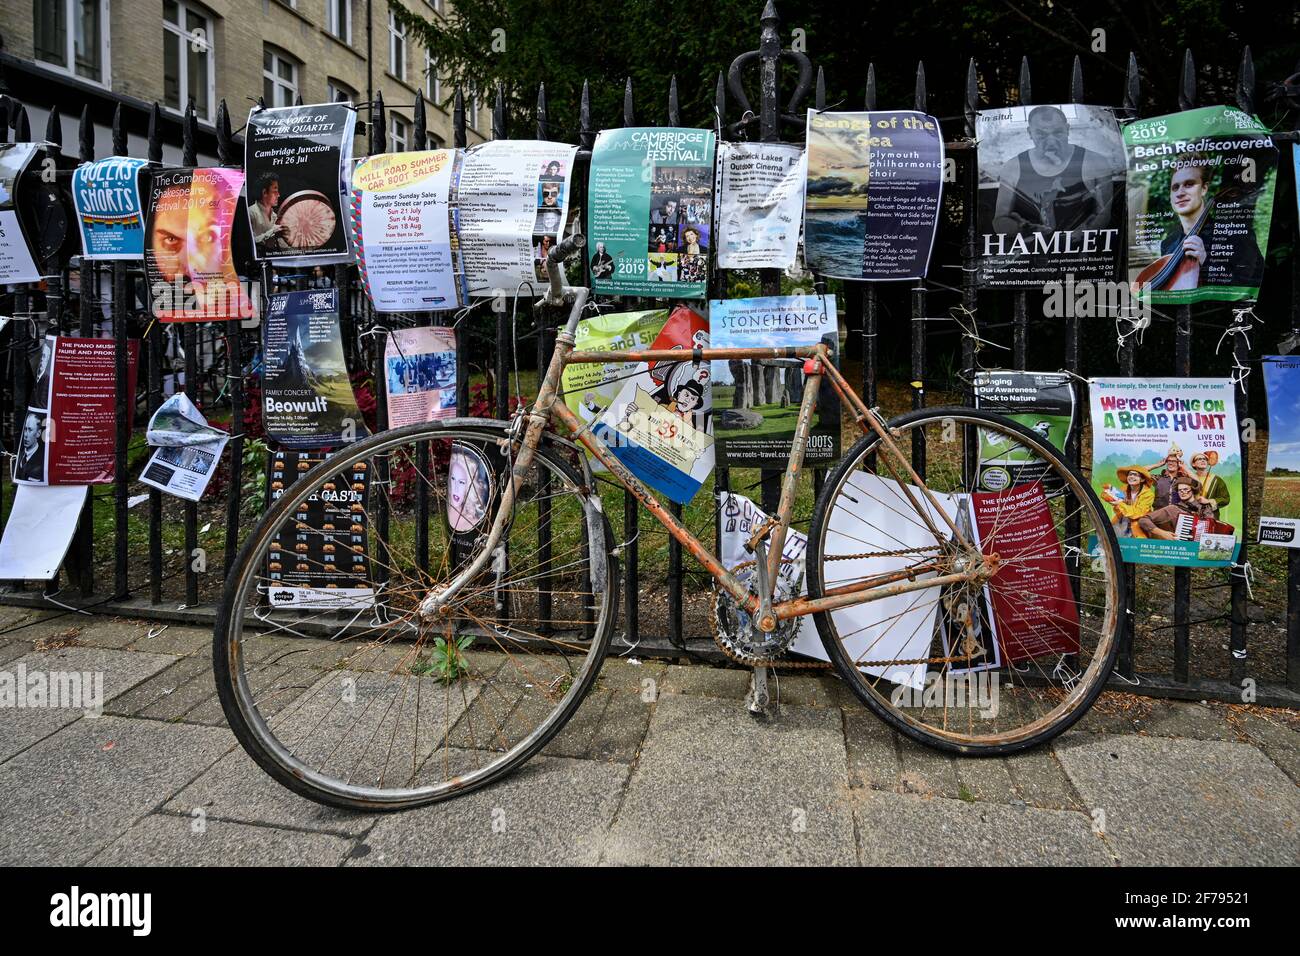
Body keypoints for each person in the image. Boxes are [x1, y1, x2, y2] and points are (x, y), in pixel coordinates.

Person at [992, 105, 1115, 238]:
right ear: (1030, 133)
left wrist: (1081, 234)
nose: (1051, 141)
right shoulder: (1013, 167)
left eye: (1057, 133)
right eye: (1041, 134)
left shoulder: (1095, 162)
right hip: (1031, 251)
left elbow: (1104, 214)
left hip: (1080, 251)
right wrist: (1023, 228)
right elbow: (1000, 220)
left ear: (1067, 130)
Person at [1156, 163, 1265, 290]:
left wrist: (1206, 262)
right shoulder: (1168, 244)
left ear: (1204, 188)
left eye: (1189, 184)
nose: (1180, 193)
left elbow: (1254, 283)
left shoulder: (1235, 234)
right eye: (1175, 187)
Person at [1139, 475, 1217, 540]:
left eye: (1185, 489)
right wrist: (1163, 533)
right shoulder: (1173, 509)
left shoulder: (1205, 508)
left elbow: (1213, 530)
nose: (1182, 492)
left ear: (1192, 490)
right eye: (1180, 490)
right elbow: (1143, 520)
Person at [447, 446, 490, 533]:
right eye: (453, 479)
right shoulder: (450, 515)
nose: (455, 487)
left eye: (461, 482)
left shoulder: (474, 521)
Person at [1108, 464, 1154, 538]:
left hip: (1138, 525)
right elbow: (1118, 511)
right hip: (1122, 522)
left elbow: (1138, 513)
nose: (1132, 476)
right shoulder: (1124, 489)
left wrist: (1120, 504)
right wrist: (1113, 501)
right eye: (1130, 474)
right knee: (1108, 537)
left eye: (1135, 475)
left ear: (1142, 479)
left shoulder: (1148, 494)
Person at [248, 173, 289, 255]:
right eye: (275, 192)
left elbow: (279, 243)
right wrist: (273, 231)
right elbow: (250, 242)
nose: (279, 195)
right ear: (264, 192)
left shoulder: (274, 216)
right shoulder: (250, 213)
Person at [1189, 450, 1229, 516]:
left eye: (1205, 459)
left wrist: (1208, 501)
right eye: (1199, 459)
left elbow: (1225, 499)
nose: (1203, 460)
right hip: (1192, 516)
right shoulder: (1189, 479)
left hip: (1211, 517)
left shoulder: (1217, 480)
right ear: (1193, 464)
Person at [1152, 444, 1189, 510]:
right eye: (1169, 461)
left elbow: (1198, 482)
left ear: (1179, 463)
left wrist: (1184, 468)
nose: (1171, 463)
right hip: (1159, 515)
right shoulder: (1158, 478)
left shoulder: (1184, 479)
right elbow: (1139, 471)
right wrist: (1157, 465)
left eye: (1174, 461)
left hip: (1177, 515)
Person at [13, 411, 45, 482]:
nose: (26, 435)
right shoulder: (20, 455)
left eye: (30, 430)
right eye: (25, 429)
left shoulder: (43, 459)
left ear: (38, 433)